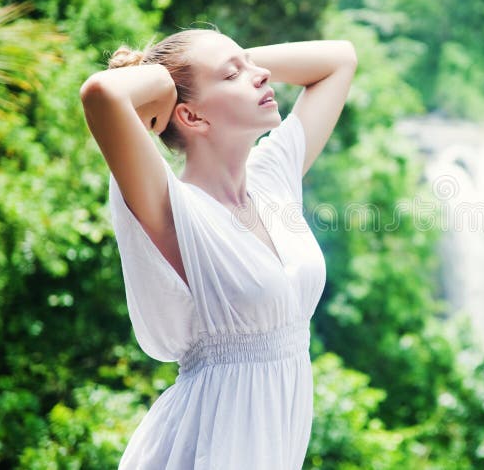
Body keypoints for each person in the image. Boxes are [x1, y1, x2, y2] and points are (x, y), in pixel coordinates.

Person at [79, 28, 357, 468]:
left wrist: (234, 60)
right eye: (233, 76)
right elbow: (101, 93)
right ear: (191, 117)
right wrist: (166, 80)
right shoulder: (178, 211)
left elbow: (339, 59)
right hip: (204, 450)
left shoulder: (271, 182)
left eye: (252, 68)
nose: (262, 75)